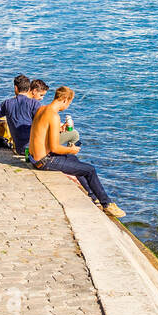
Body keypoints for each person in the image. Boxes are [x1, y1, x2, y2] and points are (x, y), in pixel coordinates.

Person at [29, 86, 123, 218]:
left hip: (34, 158)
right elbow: (55, 148)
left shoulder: (42, 109)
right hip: (45, 161)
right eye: (69, 103)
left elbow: (43, 133)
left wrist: (60, 130)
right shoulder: (54, 116)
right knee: (90, 169)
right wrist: (71, 150)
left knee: (75, 162)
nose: (68, 106)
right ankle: (107, 204)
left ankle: (93, 197)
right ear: (65, 100)